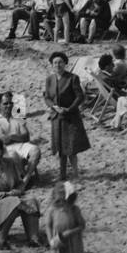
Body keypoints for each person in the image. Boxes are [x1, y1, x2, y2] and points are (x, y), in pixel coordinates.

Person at [0, 137, 44, 250]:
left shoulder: (9, 163)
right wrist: (8, 194)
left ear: (1, 152)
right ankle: (1, 240)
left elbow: (19, 183)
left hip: (11, 197)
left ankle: (33, 239)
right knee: (13, 203)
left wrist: (19, 190)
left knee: (31, 200)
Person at [43, 51, 90, 181]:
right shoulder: (49, 79)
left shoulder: (72, 78)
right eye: (55, 63)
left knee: (71, 148)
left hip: (70, 117)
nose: (58, 65)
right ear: (52, 65)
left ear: (65, 64)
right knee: (60, 147)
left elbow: (80, 96)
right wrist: (54, 106)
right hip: (56, 117)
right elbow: (47, 97)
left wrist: (68, 109)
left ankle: (75, 173)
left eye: (60, 62)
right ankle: (62, 174)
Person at [0, 91, 42, 180]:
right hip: (5, 149)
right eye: (5, 103)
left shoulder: (18, 118)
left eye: (10, 103)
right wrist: (17, 136)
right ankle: (22, 176)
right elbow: (3, 140)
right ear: (0, 105)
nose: (9, 106)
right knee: (13, 155)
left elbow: (26, 136)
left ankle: (26, 178)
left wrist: (12, 136)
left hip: (21, 146)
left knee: (35, 150)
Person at [46, 181, 86, 253]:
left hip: (70, 243)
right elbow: (48, 225)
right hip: (56, 242)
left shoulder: (74, 210)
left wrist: (70, 232)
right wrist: (50, 240)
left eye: (64, 200)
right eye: (59, 200)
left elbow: (82, 225)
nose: (62, 203)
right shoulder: (52, 210)